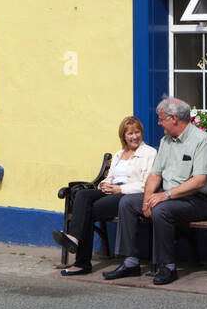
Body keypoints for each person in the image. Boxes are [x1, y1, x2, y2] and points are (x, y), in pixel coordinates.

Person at [103, 97, 207, 285]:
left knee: (161, 209)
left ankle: (167, 267)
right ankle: (130, 262)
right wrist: (148, 198)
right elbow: (155, 174)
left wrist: (164, 195)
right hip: (171, 195)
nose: (158, 122)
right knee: (127, 202)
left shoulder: (202, 141)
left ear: (174, 118)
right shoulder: (166, 141)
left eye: (161, 118)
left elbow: (199, 181)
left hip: (199, 200)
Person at [53, 116, 155, 275]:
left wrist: (119, 190)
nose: (134, 136)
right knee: (82, 195)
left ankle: (81, 262)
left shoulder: (149, 153)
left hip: (128, 195)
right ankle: (73, 238)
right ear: (124, 136)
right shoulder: (119, 154)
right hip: (111, 190)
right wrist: (104, 185)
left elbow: (146, 184)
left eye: (137, 132)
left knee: (87, 212)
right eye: (130, 134)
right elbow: (108, 178)